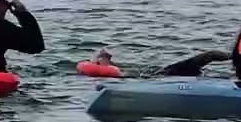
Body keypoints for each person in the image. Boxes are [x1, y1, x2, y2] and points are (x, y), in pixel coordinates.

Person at [89, 47, 231, 77]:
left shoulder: (116, 73)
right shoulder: (116, 74)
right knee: (209, 55)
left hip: (168, 74)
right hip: (170, 75)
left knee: (209, 55)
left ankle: (236, 56)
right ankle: (237, 56)